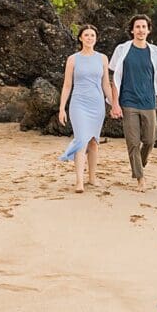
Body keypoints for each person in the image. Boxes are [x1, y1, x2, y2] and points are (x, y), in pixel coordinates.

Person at [109, 14, 157, 191]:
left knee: (149, 140)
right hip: (128, 101)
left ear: (148, 30)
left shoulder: (155, 52)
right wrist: (115, 103)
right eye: (137, 27)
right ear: (132, 30)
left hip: (148, 101)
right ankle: (140, 177)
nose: (140, 30)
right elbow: (115, 78)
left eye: (144, 27)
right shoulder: (122, 49)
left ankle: (139, 164)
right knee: (133, 142)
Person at [58, 25, 113, 193]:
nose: (89, 38)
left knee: (93, 142)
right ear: (80, 38)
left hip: (97, 104)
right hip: (78, 104)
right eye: (86, 35)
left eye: (92, 35)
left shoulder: (102, 58)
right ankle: (79, 181)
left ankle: (92, 178)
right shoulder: (73, 59)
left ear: (96, 38)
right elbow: (67, 85)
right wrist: (62, 108)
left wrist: (114, 104)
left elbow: (105, 84)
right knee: (81, 140)